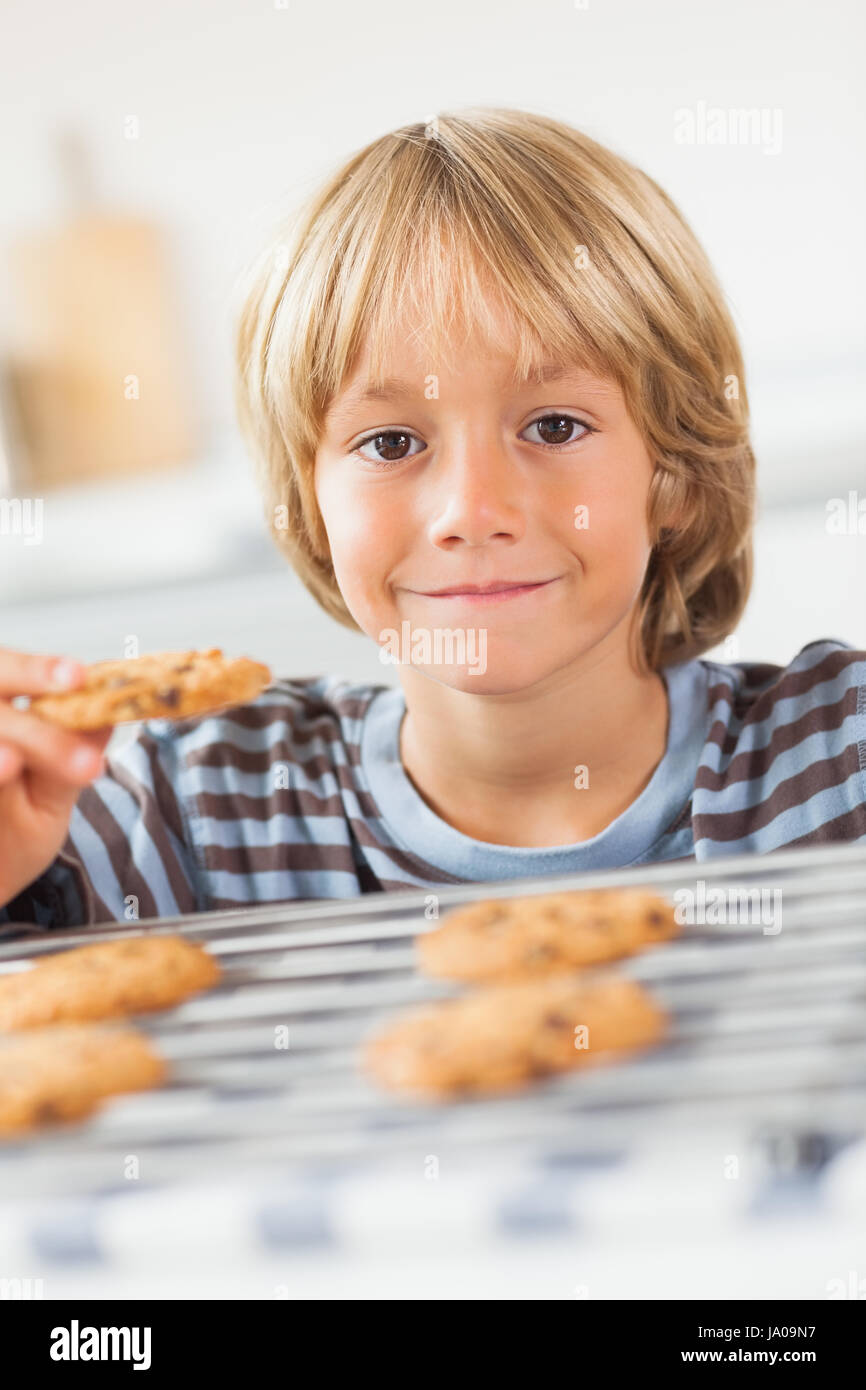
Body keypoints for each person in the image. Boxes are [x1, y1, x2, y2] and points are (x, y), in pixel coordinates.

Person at [1, 106, 864, 930]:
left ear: (674, 474)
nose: (471, 511)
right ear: (311, 509)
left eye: (554, 426)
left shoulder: (835, 763)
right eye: (389, 442)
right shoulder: (192, 809)